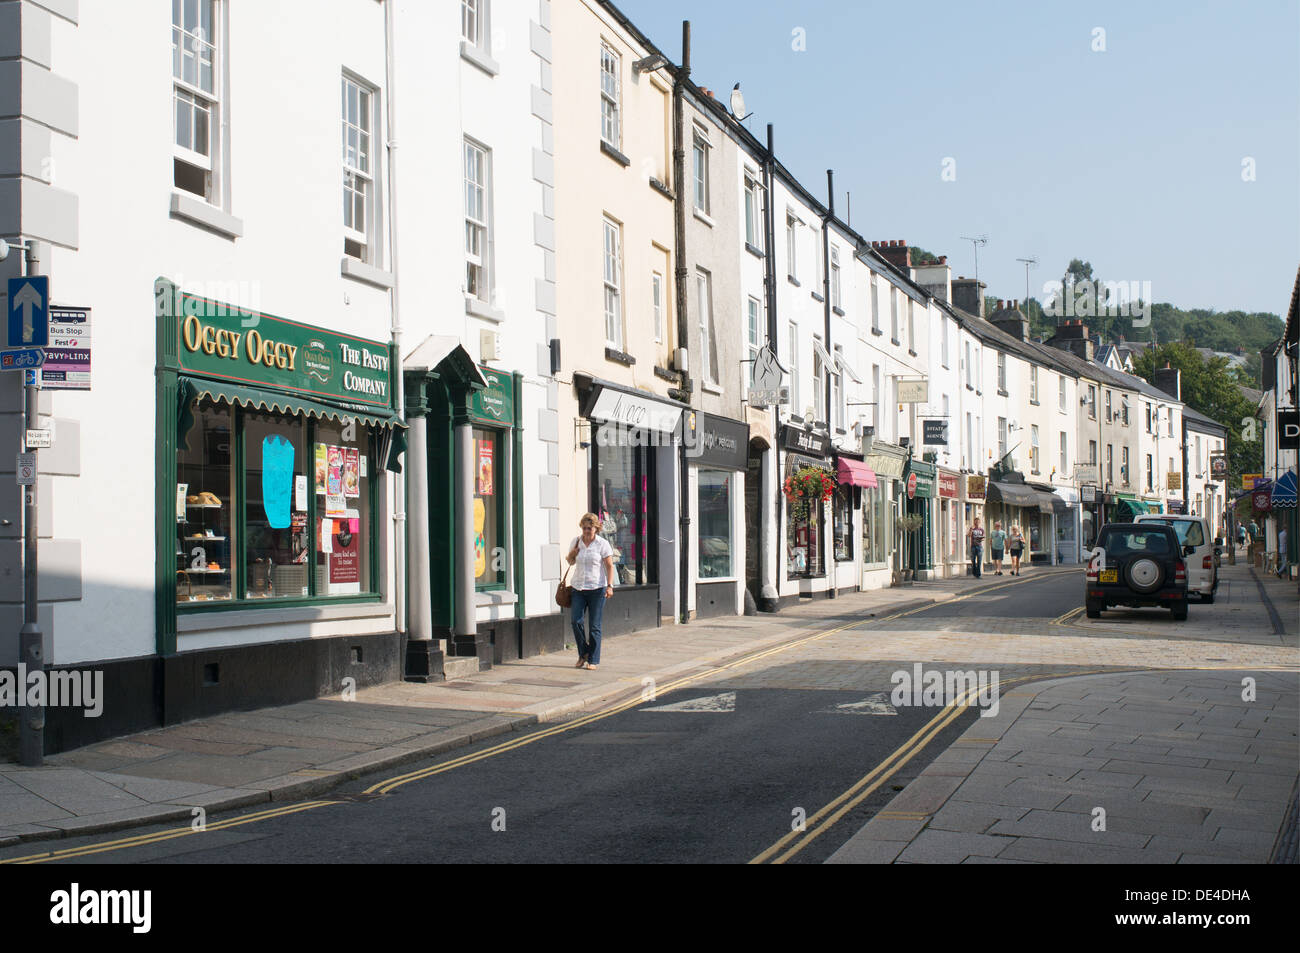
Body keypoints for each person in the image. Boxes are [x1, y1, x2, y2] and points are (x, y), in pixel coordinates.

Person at [567, 513, 615, 670]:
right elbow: (570, 561)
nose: (587, 531)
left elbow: (609, 566)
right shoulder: (576, 542)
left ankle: (592, 660)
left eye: (590, 528)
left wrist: (609, 586)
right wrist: (572, 554)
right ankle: (584, 653)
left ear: (596, 528)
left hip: (597, 589)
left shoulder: (602, 544)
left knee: (594, 626)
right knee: (576, 621)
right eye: (585, 528)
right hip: (578, 588)